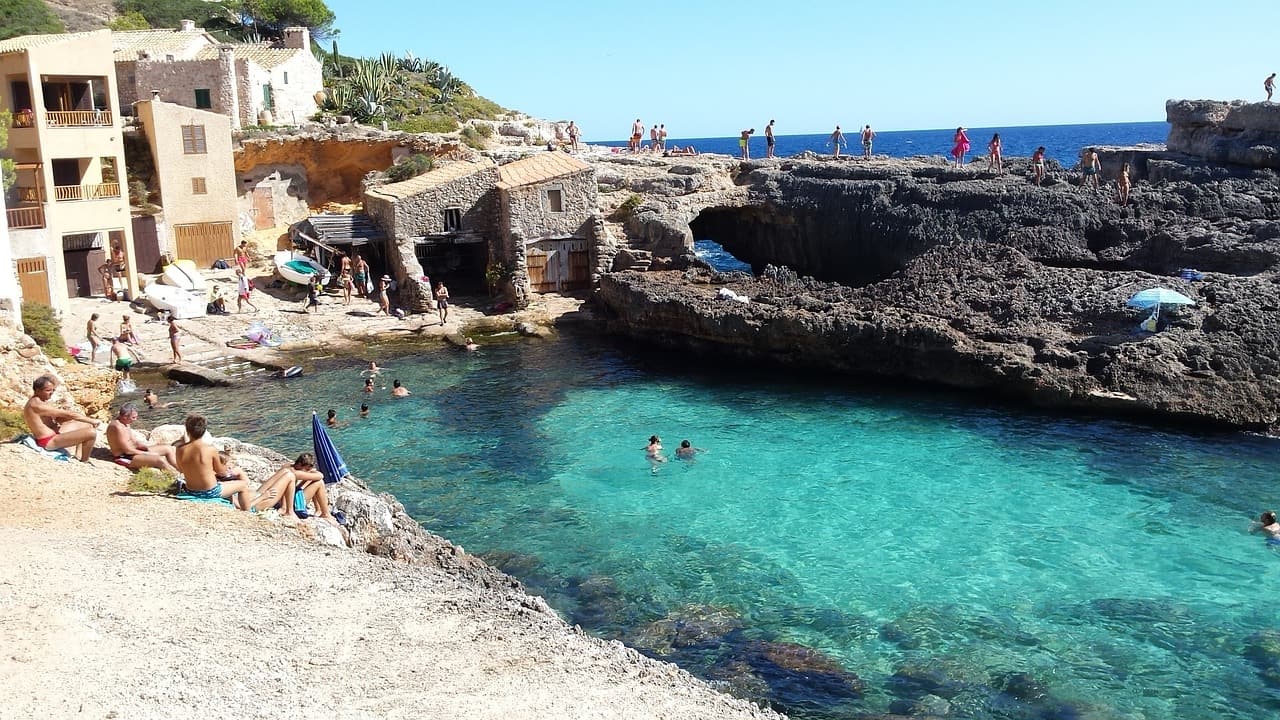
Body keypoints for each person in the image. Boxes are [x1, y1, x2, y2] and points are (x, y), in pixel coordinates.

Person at [173, 414, 254, 510]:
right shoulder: (210, 449)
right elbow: (221, 472)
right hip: (210, 491)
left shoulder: (180, 449)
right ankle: (247, 513)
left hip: (190, 490)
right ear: (204, 430)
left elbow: (181, 469)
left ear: (187, 430)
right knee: (243, 486)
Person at [23, 374, 101, 462]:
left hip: (54, 434)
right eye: (48, 390)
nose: (51, 392)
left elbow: (57, 418)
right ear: (37, 390)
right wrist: (92, 420)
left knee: (86, 424)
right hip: (48, 441)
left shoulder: (39, 401)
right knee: (91, 433)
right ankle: (84, 461)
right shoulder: (36, 405)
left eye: (53, 390)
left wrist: (70, 419)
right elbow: (70, 414)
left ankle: (78, 455)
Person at [106, 403, 179, 472]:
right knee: (160, 460)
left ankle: (181, 470)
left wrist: (146, 447)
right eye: (133, 417)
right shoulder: (117, 427)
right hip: (125, 457)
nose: (135, 419)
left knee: (168, 448)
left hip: (134, 451)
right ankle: (176, 477)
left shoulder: (125, 423)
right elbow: (128, 451)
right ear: (125, 416)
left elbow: (134, 441)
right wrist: (149, 454)